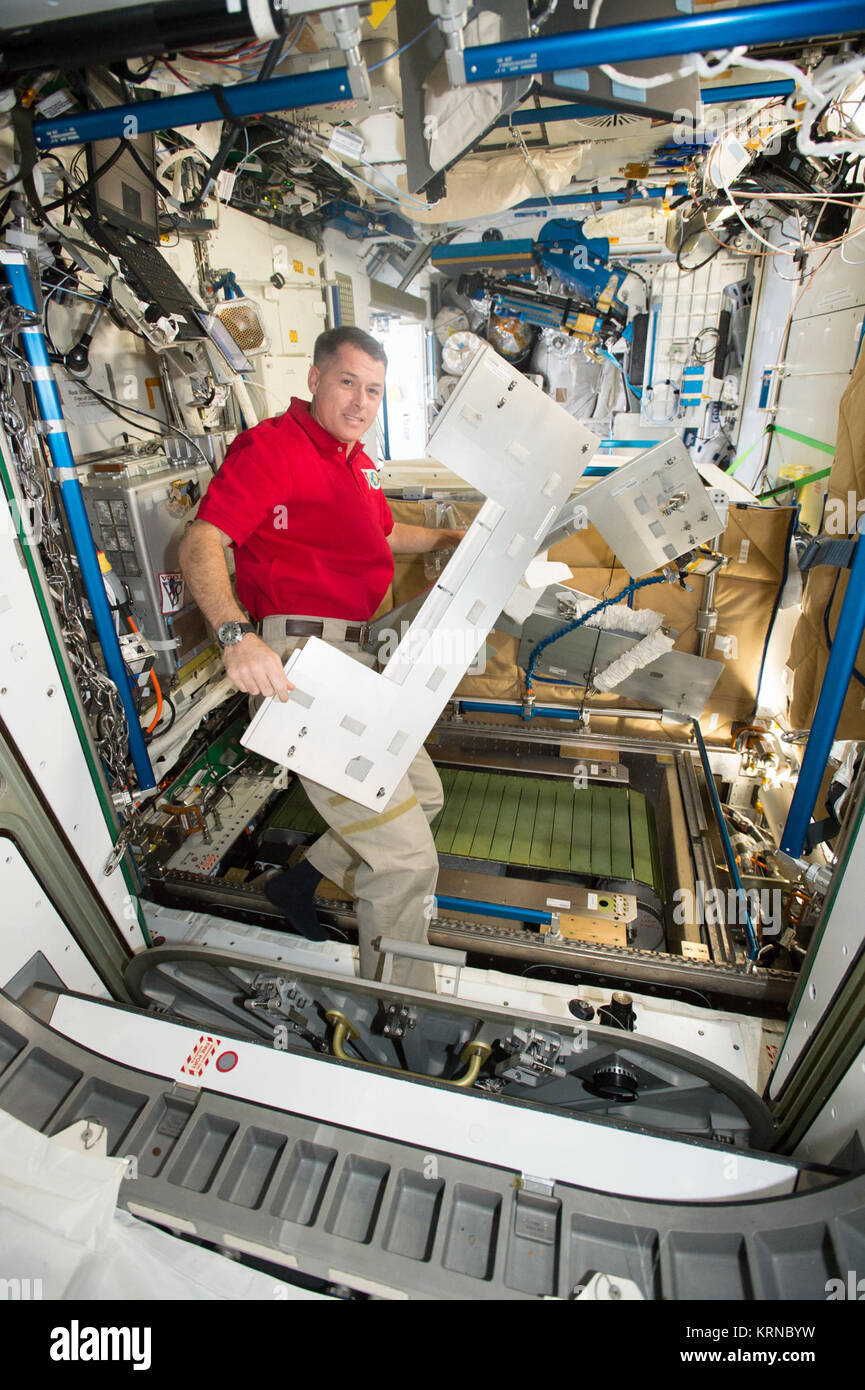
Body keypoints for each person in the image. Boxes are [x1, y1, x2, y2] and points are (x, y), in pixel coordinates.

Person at [178, 326, 464, 993]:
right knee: (404, 860)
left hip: (353, 658)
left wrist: (451, 535)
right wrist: (233, 636)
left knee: (424, 795)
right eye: (347, 382)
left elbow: (386, 532)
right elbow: (201, 542)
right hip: (299, 662)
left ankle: (299, 883)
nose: (361, 401)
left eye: (373, 390)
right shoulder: (273, 448)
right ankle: (403, 1011)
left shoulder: (354, 460)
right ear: (313, 380)